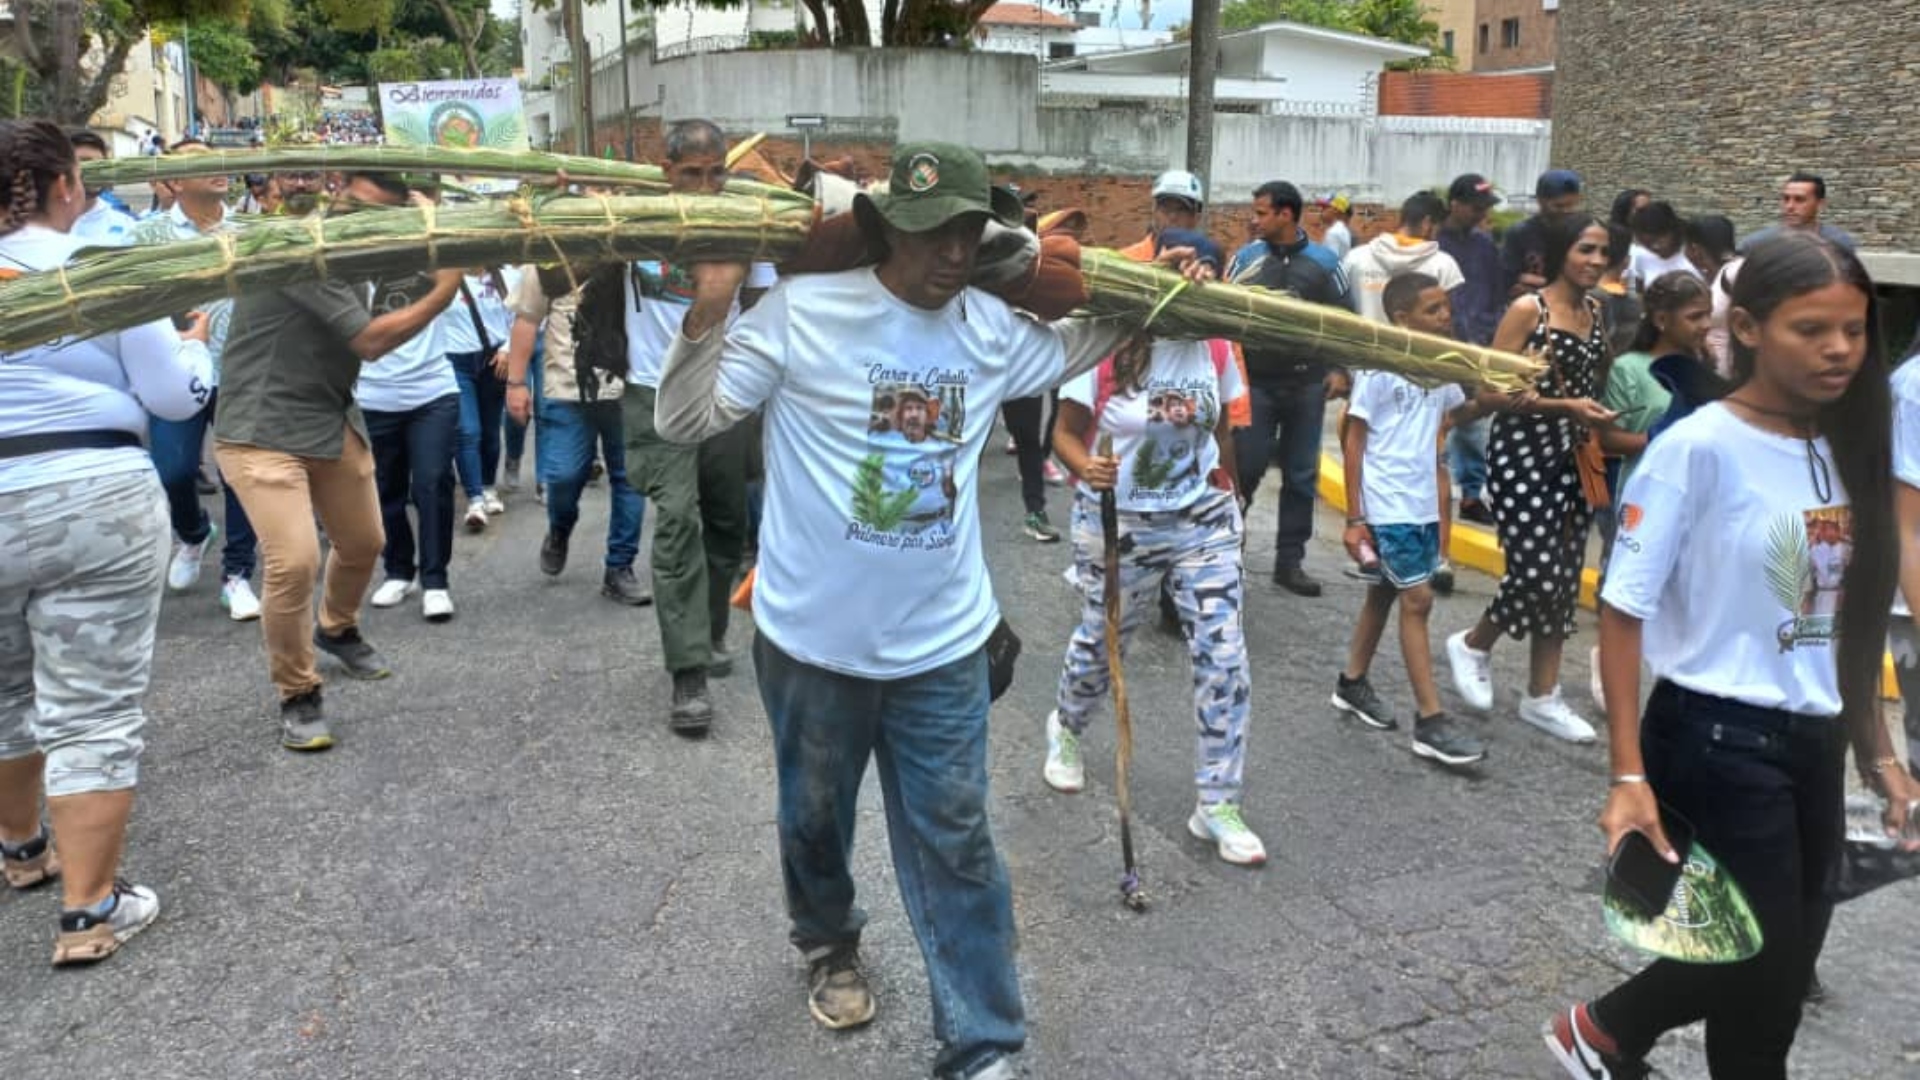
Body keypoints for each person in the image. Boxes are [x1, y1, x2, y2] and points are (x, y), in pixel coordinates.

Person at [652, 140, 1140, 1080]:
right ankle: (829, 941)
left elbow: (1080, 343)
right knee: (814, 820)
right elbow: (684, 422)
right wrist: (709, 307)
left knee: (957, 841)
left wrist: (1156, 295)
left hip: (943, 650)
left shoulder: (989, 331)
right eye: (927, 233)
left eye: (964, 231)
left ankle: (983, 1045)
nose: (949, 254)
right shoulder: (802, 313)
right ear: (884, 230)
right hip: (812, 646)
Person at [1546, 233, 1918, 1080]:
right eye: (1812, 329)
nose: (1839, 350)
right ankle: (1601, 1032)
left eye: (1855, 331)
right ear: (1746, 327)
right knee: (1764, 967)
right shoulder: (1697, 447)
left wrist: (1879, 754)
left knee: (1777, 977)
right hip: (1714, 738)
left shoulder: (1847, 447)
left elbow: (1845, 620)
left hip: (1813, 741)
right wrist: (1628, 778)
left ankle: (1604, 1036)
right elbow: (1621, 609)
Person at [0, 119, 212, 964]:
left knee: (5, 684)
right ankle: (89, 912)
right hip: (90, 494)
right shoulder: (100, 271)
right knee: (91, 704)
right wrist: (196, 348)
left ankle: (21, 850)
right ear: (64, 188)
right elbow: (173, 397)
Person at [216, 172, 464, 752]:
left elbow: (437, 242)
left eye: (374, 214)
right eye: (351, 205)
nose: (354, 219)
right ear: (336, 194)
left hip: (329, 417)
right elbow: (370, 342)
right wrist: (444, 290)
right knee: (294, 561)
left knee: (364, 542)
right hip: (261, 426)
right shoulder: (301, 249)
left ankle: (337, 627)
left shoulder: (361, 252)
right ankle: (298, 693)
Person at [1043, 235, 1266, 865]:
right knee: (1105, 638)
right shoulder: (1110, 343)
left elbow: (1220, 423)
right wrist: (1089, 466)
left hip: (1201, 519)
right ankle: (1066, 726)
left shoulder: (1216, 343)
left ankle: (1217, 802)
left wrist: (1231, 487)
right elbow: (1062, 435)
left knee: (1225, 657)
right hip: (1120, 519)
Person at [621, 120, 777, 734]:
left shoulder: (746, 223)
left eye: (717, 173)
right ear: (668, 172)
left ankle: (709, 628)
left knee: (725, 522)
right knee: (678, 524)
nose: (707, 185)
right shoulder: (631, 220)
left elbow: (761, 309)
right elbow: (559, 277)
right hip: (652, 391)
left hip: (723, 393)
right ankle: (687, 676)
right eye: (693, 174)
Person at [1446, 214, 1618, 743]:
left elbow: (1596, 380)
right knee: (1538, 572)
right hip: (1523, 453)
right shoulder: (1529, 310)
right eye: (1585, 250)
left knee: (1565, 577)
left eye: (1602, 253)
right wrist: (1563, 404)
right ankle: (1474, 642)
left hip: (1577, 456)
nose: (1594, 261)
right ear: (1561, 251)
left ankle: (1542, 696)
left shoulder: (1595, 310)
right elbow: (1488, 391)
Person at [1333, 273, 1494, 765]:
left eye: (1447, 308)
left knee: (1383, 592)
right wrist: (1356, 515)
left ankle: (1352, 682)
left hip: (1421, 503)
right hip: (1388, 506)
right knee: (1417, 602)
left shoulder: (1440, 368)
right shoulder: (1380, 368)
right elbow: (1355, 438)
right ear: (1401, 317)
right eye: (1433, 310)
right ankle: (1430, 721)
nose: (1445, 318)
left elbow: (1448, 418)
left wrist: (1494, 395)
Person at [126, 139, 263, 622]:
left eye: (219, 160)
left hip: (242, 371)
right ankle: (193, 533)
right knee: (174, 471)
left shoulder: (251, 229)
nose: (217, 169)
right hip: (177, 372)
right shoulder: (146, 236)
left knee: (240, 475)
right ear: (174, 181)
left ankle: (237, 575)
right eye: (199, 163)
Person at [1230, 179, 1353, 597]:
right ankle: (1227, 550)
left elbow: (1344, 319)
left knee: (1301, 475)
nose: (1254, 219)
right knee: (1245, 468)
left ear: (1286, 214)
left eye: (1262, 212)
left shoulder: (1325, 262)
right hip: (1256, 385)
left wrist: (1338, 368)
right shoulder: (1245, 260)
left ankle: (1290, 562)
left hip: (1306, 385)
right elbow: (1226, 318)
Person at [504, 262, 652, 608]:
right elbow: (527, 320)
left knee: (631, 479)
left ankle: (619, 568)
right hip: (567, 391)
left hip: (628, 387)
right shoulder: (547, 260)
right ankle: (560, 526)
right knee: (563, 476)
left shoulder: (632, 251)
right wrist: (516, 383)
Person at [357, 188, 464, 623]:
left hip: (432, 392)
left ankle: (435, 581)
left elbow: (452, 273)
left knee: (434, 483)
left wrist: (429, 215)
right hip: (372, 393)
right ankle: (399, 569)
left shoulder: (430, 253)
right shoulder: (352, 258)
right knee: (386, 489)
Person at [1438, 173, 1505, 528]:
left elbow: (1496, 291)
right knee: (1441, 418)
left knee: (1474, 421)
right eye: (1476, 207)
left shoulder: (1484, 245)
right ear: (1456, 204)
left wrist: (1491, 331)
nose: (1481, 213)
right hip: (1440, 345)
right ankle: (1437, 486)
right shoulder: (1434, 243)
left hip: (1478, 343)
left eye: (1485, 207)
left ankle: (1470, 494)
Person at [445, 266, 517, 530]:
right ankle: (474, 500)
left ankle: (488, 487)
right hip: (455, 361)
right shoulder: (445, 276)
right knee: (468, 430)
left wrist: (509, 349)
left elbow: (521, 316)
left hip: (494, 360)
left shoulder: (504, 276)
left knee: (489, 431)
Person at [1343, 191, 1463, 322]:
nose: (1438, 234)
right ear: (1426, 223)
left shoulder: (1355, 258)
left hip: (1360, 341)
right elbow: (1451, 318)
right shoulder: (1443, 265)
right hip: (1417, 343)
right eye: (1438, 228)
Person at [1502, 168, 1584, 298]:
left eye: (1571, 205)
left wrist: (1540, 283)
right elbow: (1507, 282)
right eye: (1559, 206)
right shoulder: (1519, 233)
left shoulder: (1582, 232)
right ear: (1540, 201)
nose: (1567, 211)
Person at [1739, 172, 1857, 253]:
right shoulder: (1755, 244)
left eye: (1799, 199)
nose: (1790, 206)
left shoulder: (1838, 243)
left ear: (1820, 204)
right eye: (1786, 199)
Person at [65, 131, 136, 246]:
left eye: (101, 164)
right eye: (86, 162)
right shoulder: (37, 226)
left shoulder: (127, 224)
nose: (97, 171)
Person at [1624, 201, 1697, 291]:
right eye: (1647, 243)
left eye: (1658, 239)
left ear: (1672, 231)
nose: (1655, 246)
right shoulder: (1642, 257)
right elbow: (1641, 292)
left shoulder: (1694, 254)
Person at [1317, 192, 1355, 261]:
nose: (1321, 211)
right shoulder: (1342, 229)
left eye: (1325, 208)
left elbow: (1330, 261)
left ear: (1336, 210)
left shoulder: (1333, 232)